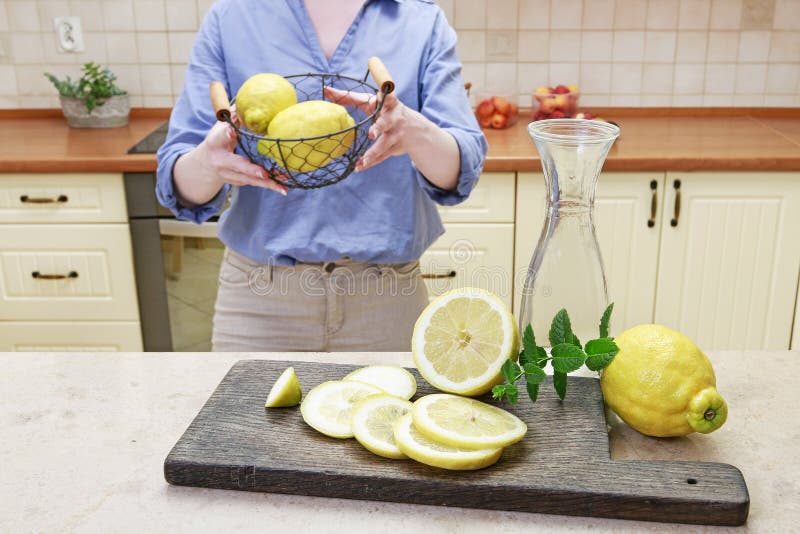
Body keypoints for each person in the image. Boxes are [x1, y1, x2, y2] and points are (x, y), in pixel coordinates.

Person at [156, 0, 487, 352]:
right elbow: (179, 185)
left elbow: (460, 170)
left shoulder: (420, 19)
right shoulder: (230, 17)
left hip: (388, 300)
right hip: (258, 304)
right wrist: (208, 162)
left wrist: (414, 131)